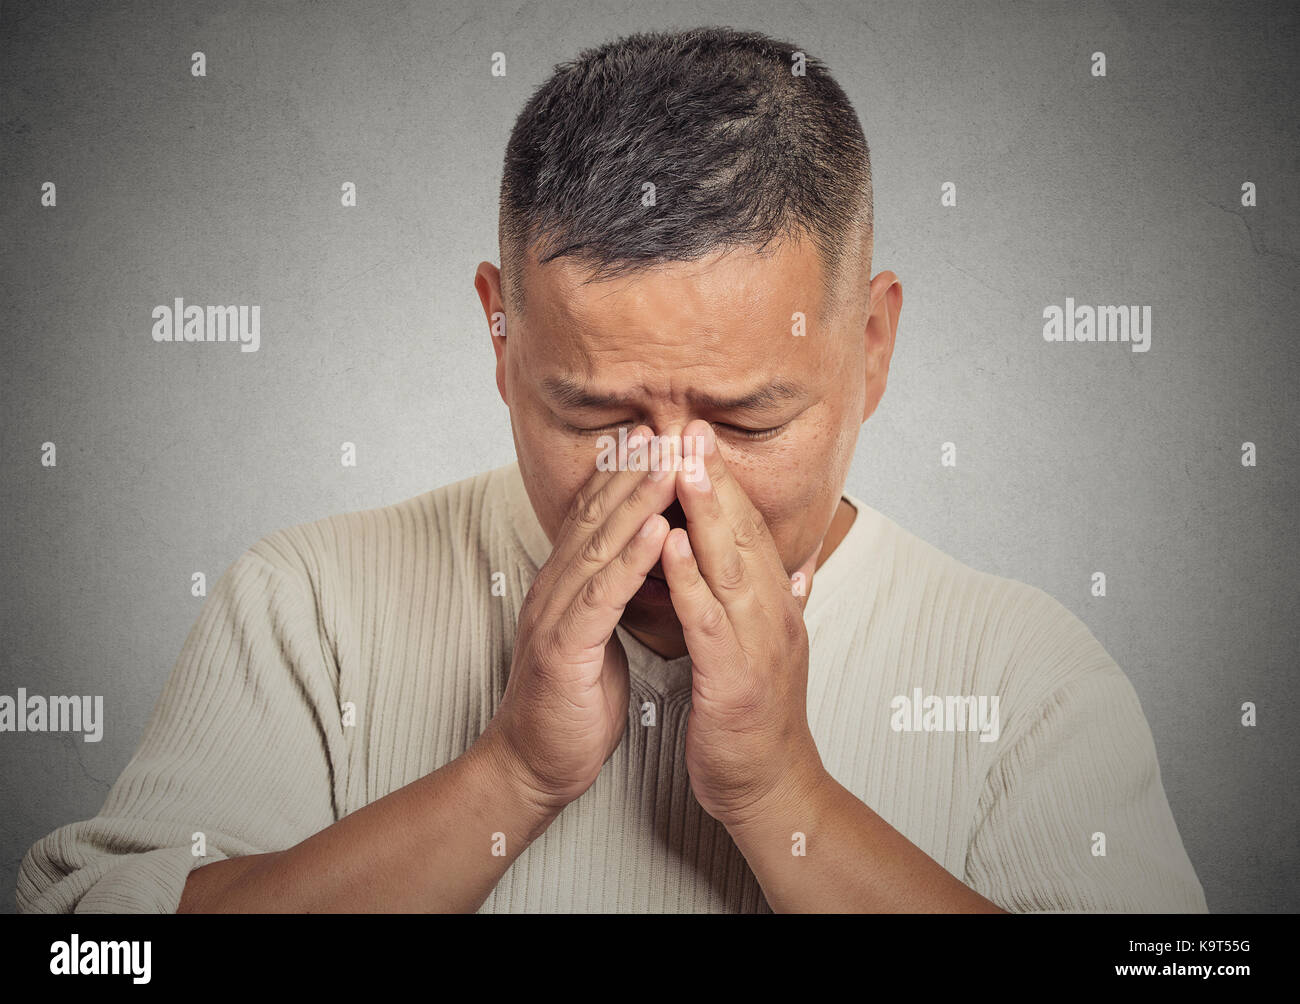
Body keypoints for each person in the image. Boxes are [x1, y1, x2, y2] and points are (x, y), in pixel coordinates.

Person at [18, 25, 1206, 914]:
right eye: (593, 413)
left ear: (871, 347)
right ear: (499, 335)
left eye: (746, 421)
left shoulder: (1028, 678)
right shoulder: (309, 606)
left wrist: (788, 800)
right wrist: (508, 776)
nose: (674, 492)